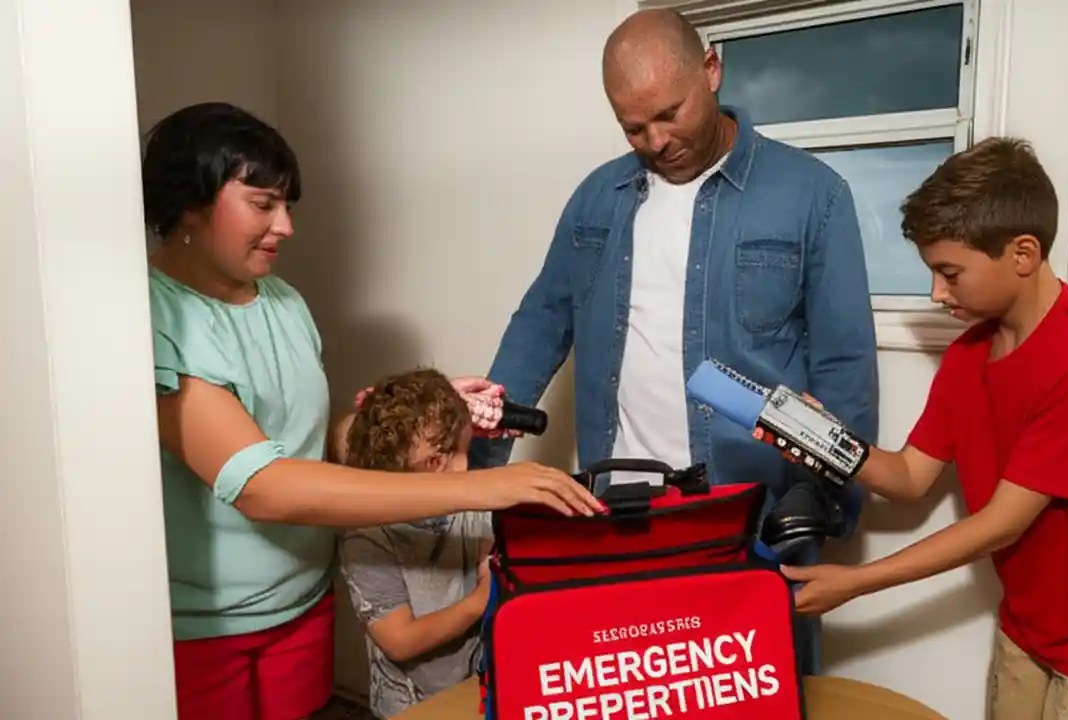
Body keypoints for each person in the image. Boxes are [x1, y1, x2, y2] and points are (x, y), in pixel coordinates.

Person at [143, 102, 601, 720]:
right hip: (201, 626)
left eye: (288, 205)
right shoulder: (153, 318)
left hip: (301, 603)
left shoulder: (281, 301)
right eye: (263, 204)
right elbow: (262, 485)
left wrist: (416, 419)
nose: (286, 226)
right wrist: (484, 487)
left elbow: (304, 440)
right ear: (190, 201)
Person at [469, 9, 879, 676]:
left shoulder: (813, 195)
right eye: (634, 127)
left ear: (712, 69)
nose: (657, 140)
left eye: (670, 113)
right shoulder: (596, 199)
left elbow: (843, 362)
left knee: (753, 701)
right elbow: (541, 322)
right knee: (636, 689)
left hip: (749, 514)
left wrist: (825, 497)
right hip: (619, 514)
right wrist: (480, 472)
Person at [783, 137, 1068, 719]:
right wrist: (825, 440)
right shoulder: (971, 353)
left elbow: (1001, 524)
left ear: (1022, 254)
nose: (936, 292)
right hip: (1031, 623)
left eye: (950, 273)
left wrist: (857, 582)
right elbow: (908, 476)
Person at [333, 368, 493, 719]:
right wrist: (479, 601)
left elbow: (491, 560)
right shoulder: (367, 539)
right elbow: (400, 640)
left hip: (472, 689)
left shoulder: (468, 508)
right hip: (407, 707)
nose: (465, 468)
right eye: (454, 455)